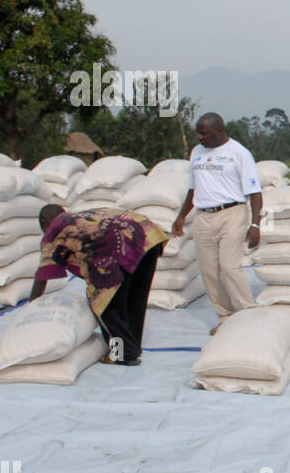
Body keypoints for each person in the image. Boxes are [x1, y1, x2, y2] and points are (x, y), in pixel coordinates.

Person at [29, 204, 167, 366]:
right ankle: (132, 347)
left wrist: (31, 306)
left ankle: (122, 354)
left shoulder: (53, 232)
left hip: (116, 250)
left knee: (104, 304)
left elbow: (41, 277)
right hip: (148, 236)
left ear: (45, 223)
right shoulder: (84, 216)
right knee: (134, 298)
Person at [170, 112, 262, 334]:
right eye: (198, 133)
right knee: (209, 271)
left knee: (229, 267)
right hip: (203, 217)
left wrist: (256, 224)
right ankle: (225, 316)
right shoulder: (197, 153)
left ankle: (247, 314)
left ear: (220, 131)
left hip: (232, 213)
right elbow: (193, 189)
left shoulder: (239, 153)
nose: (200, 137)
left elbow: (255, 192)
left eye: (205, 133)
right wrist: (182, 216)